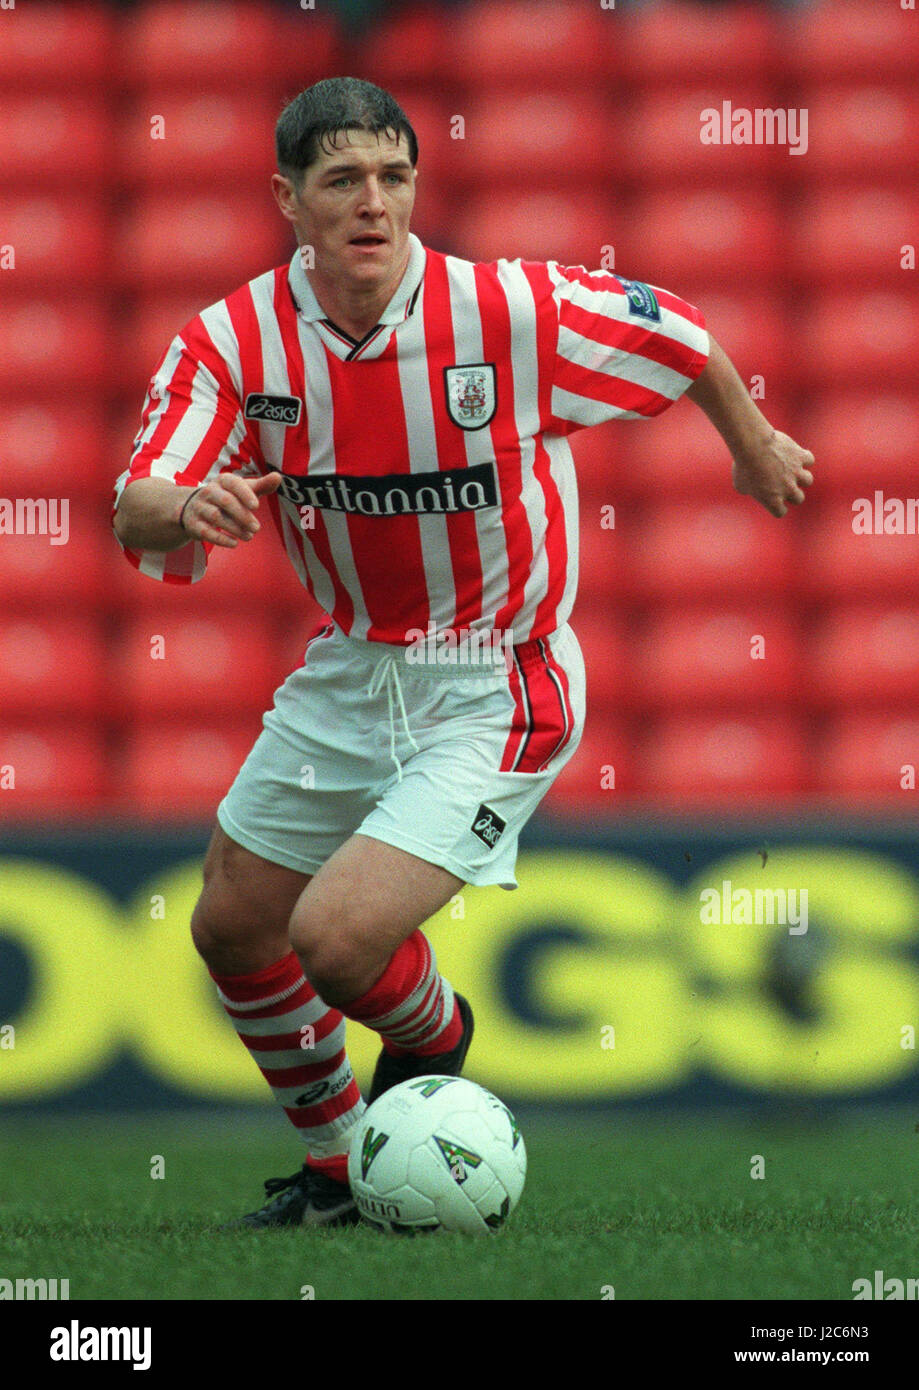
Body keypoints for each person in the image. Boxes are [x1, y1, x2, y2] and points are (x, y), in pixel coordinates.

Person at [111, 76, 814, 1228]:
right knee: (230, 925)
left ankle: (442, 1041)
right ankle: (339, 1165)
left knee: (335, 942)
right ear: (288, 199)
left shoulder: (503, 312)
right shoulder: (234, 342)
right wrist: (186, 509)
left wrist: (752, 446)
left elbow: (677, 335)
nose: (373, 202)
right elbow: (136, 497)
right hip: (351, 667)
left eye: (393, 176)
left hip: (499, 676)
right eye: (342, 180)